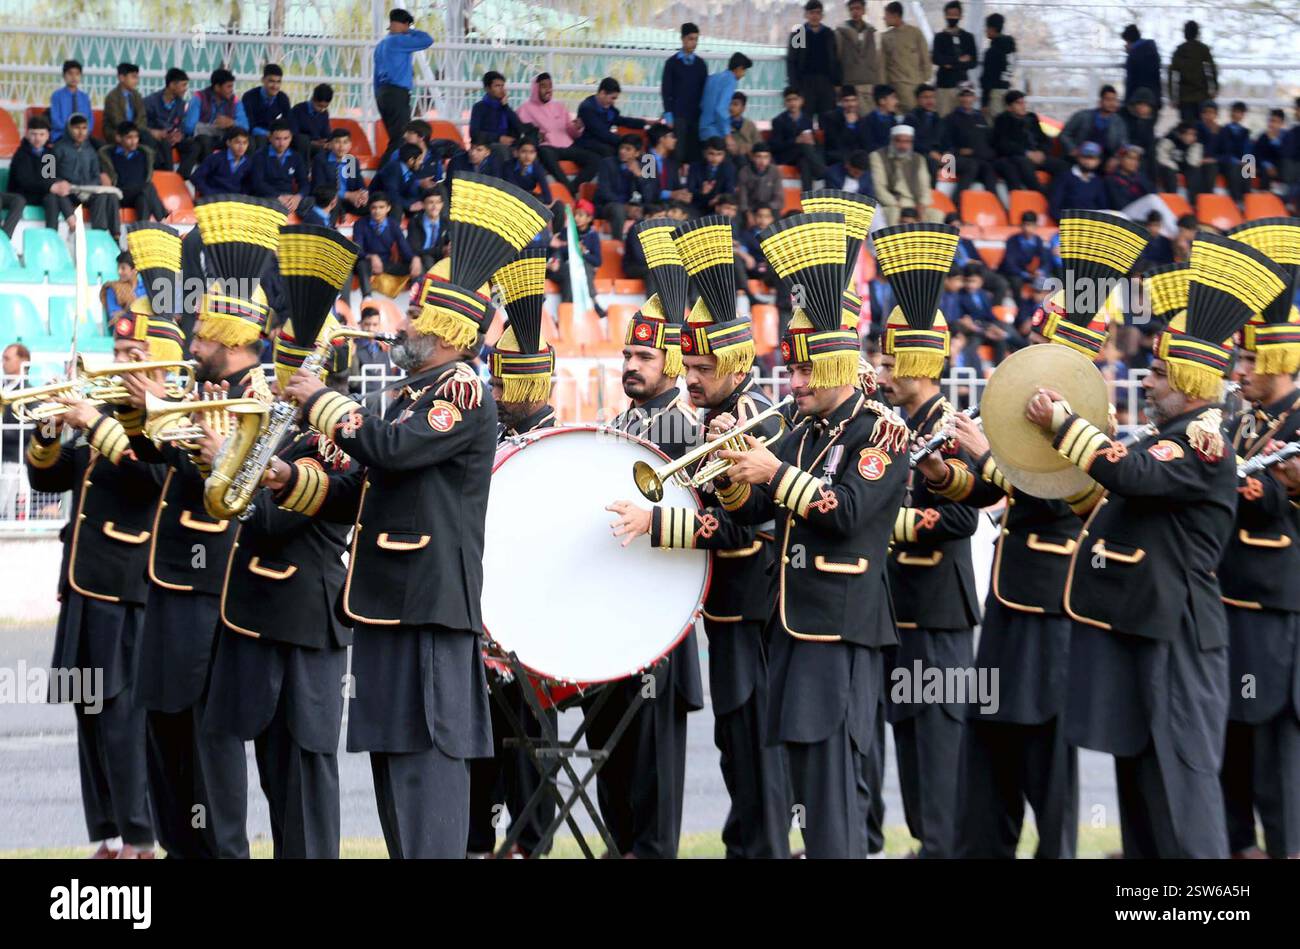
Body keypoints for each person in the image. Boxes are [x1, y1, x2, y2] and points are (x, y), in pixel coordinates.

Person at [269, 175, 547, 859]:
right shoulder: (414, 389)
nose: (407, 327)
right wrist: (289, 477)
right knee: (394, 765)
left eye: (419, 319)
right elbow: (365, 483)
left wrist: (321, 402)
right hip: (390, 603)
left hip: (426, 604)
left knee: (426, 780)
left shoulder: (458, 388)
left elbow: (390, 450)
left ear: (447, 330)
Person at [1030, 233, 1287, 857]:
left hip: (1175, 632)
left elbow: (1130, 475)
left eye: (1160, 372)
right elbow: (1117, 501)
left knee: (1180, 784)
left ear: (1193, 379)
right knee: (1141, 776)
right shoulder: (1162, 435)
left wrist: (1064, 425)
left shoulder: (1200, 440)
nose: (1147, 379)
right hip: (1142, 625)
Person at [934, 212, 1149, 858]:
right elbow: (995, 490)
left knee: (1050, 771)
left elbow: (1053, 489)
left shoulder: (1091, 418)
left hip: (1053, 605)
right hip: (1008, 605)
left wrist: (984, 453)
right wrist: (947, 471)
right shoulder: (1034, 409)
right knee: (986, 755)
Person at [712, 212, 910, 858]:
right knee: (803, 773)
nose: (792, 384)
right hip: (793, 629)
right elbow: (753, 513)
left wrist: (774, 470)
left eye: (803, 374)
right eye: (791, 372)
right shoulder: (806, 430)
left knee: (832, 790)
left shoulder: (876, 433)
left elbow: (847, 509)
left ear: (835, 369)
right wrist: (734, 474)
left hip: (840, 628)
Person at [606, 216, 790, 858]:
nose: (691, 376)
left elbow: (746, 520)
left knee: (757, 745)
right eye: (689, 363)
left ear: (734, 362)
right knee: (738, 744)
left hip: (757, 604)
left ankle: (765, 850)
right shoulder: (712, 414)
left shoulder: (750, 415)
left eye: (702, 366)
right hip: (726, 608)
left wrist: (657, 520)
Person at [200, 228, 359, 858]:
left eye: (293, 367)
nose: (280, 378)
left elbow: (270, 518)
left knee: (305, 781)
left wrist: (224, 465)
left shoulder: (334, 434)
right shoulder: (275, 421)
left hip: (304, 621)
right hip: (254, 616)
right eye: (282, 363)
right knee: (253, 756)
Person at [121, 210, 273, 860]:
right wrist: (140, 412)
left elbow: (232, 484)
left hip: (209, 584)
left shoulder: (254, 395)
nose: (192, 335)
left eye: (203, 326)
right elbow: (159, 457)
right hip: (171, 581)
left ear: (228, 329)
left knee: (207, 744)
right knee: (162, 730)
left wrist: (168, 423)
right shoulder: (209, 385)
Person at [24, 304, 179, 860]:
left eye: (134, 357)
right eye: (117, 354)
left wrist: (96, 423)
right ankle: (110, 834)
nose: (120, 365)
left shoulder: (170, 418)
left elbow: (152, 479)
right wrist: (47, 428)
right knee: (88, 712)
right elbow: (51, 477)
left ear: (159, 368)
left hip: (126, 589)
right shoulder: (107, 413)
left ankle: (142, 837)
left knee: (123, 719)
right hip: (83, 587)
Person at [590, 220, 711, 859]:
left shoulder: (688, 429)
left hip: (661, 620)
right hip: (614, 609)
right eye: (627, 356)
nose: (629, 366)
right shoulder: (621, 422)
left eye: (642, 357)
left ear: (667, 358)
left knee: (653, 757)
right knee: (610, 744)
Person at [873, 222, 980, 859]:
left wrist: (886, 526)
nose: (883, 374)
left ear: (918, 363)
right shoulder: (898, 422)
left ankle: (944, 846)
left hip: (938, 606)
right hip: (901, 605)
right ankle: (926, 843)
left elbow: (963, 517)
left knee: (940, 738)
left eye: (891, 364)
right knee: (909, 733)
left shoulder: (948, 425)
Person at [468, 246, 559, 857]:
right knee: (481, 737)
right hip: (484, 612)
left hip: (537, 620)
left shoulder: (561, 443)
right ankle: (479, 840)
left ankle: (530, 841)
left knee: (530, 739)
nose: (494, 389)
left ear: (529, 381)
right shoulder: (492, 435)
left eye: (503, 381)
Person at [1217, 218, 1300, 860]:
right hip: (1233, 600)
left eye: (1249, 359)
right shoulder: (1246, 418)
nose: (1239, 370)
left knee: (1277, 748)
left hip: (1280, 605)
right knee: (1233, 742)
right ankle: (1236, 853)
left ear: (1278, 359)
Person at [517, 72, 598, 191]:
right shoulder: (524, 109)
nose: (548, 89)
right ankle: (568, 188)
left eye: (550, 86)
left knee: (595, 159)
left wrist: (577, 127)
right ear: (536, 88)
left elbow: (572, 133)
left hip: (568, 146)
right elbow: (522, 134)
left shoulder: (559, 106)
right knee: (545, 153)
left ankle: (572, 188)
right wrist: (536, 136)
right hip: (547, 148)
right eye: (544, 86)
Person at [373, 8, 433, 166]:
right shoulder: (399, 40)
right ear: (405, 24)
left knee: (397, 137)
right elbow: (427, 40)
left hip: (382, 94)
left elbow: (375, 77)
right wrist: (411, 30)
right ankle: (384, 175)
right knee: (402, 138)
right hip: (397, 93)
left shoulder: (381, 45)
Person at [55, 114, 120, 236]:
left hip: (88, 192)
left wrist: (90, 188)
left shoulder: (90, 150)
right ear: (69, 129)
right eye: (77, 128)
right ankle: (98, 236)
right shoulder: (57, 148)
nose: (81, 132)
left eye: (84, 128)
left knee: (106, 196)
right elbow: (47, 175)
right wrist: (61, 184)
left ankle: (109, 236)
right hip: (68, 192)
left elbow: (96, 175)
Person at [9, 116, 76, 231]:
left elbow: (49, 178)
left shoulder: (48, 154)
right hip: (24, 195)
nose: (37, 138)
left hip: (41, 194)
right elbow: (25, 182)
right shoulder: (21, 154)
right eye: (34, 134)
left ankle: (52, 235)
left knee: (52, 198)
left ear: (47, 136)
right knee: (52, 194)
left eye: (41, 134)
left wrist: (56, 185)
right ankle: (71, 220)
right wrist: (51, 186)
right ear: (27, 134)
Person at [993, 90, 1065, 194]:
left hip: (1038, 155)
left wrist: (1042, 152)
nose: (1023, 106)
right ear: (1009, 107)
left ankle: (1055, 192)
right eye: (1018, 103)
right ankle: (1041, 193)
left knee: (1063, 166)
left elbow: (1044, 139)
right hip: (1020, 156)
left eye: (1024, 102)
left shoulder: (1032, 117)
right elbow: (1003, 145)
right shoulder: (1002, 120)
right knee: (1023, 164)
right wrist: (1027, 153)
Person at [97, 123, 165, 228]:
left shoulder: (144, 154)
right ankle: (163, 219)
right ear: (118, 138)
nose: (134, 141)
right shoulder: (109, 154)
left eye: (136, 137)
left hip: (138, 194)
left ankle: (141, 232)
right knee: (148, 186)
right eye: (129, 137)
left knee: (144, 199)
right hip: (119, 194)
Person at [353, 191, 420, 297]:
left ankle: (415, 300)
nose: (377, 211)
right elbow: (357, 249)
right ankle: (367, 298)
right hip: (366, 263)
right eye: (374, 207)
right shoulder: (360, 224)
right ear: (369, 208)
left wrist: (414, 258)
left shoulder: (393, 224)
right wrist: (371, 256)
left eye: (381, 207)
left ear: (388, 208)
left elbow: (405, 249)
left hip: (385, 264)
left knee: (416, 265)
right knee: (362, 264)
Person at [940, 83, 997, 202]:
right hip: (953, 160)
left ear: (974, 98)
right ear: (959, 98)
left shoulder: (981, 118)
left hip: (979, 158)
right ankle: (955, 203)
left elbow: (989, 141)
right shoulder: (950, 118)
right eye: (963, 95)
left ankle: (996, 207)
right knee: (972, 166)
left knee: (988, 169)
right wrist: (958, 151)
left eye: (969, 95)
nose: (966, 99)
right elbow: (945, 143)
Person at [661, 23, 709, 165]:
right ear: (682, 39)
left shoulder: (700, 64)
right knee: (678, 152)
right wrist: (669, 114)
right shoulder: (672, 63)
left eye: (696, 39)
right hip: (678, 115)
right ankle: (673, 185)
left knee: (694, 151)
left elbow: (704, 91)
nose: (693, 43)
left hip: (696, 115)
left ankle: (692, 185)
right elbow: (666, 90)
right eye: (690, 39)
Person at [183, 68, 250, 170]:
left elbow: (245, 126)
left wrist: (232, 122)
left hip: (225, 138)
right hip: (204, 139)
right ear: (217, 87)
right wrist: (212, 128)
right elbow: (189, 127)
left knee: (247, 142)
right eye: (228, 87)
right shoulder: (199, 97)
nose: (231, 90)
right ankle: (208, 177)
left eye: (232, 86)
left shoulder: (234, 101)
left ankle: (242, 175)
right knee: (205, 140)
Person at [869, 125, 936, 225]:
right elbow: (879, 188)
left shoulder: (918, 159)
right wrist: (896, 205)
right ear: (892, 141)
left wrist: (922, 204)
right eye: (899, 141)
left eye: (907, 142)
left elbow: (925, 186)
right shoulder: (877, 156)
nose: (903, 146)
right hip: (890, 204)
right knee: (894, 213)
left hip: (914, 204)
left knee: (936, 215)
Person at [1105, 144, 1176, 236]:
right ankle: (1178, 234)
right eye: (1130, 158)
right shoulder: (1112, 179)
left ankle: (1176, 237)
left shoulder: (1140, 177)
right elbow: (1118, 203)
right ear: (1120, 159)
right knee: (1152, 199)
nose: (1134, 162)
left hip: (1141, 212)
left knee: (1158, 217)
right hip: (1124, 213)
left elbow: (1154, 192)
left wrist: (1139, 179)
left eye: (1136, 159)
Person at [548, 200, 604, 315]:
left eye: (581, 215)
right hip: (562, 268)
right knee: (573, 269)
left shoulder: (593, 236)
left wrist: (583, 253)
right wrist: (572, 247)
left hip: (580, 270)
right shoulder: (567, 231)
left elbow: (597, 261)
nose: (577, 218)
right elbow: (558, 251)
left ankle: (568, 311)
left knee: (582, 266)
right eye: (576, 214)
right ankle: (593, 301)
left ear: (589, 219)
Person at [787, 1, 842, 118]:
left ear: (822, 15)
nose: (815, 16)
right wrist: (794, 85)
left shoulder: (829, 33)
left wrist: (837, 83)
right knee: (805, 117)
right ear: (806, 14)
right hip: (805, 82)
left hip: (826, 82)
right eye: (812, 13)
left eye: (818, 13)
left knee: (827, 117)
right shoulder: (799, 33)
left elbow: (836, 59)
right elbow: (792, 61)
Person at [594, 134, 655, 236]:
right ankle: (617, 243)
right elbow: (604, 192)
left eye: (628, 149)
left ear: (637, 153)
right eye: (621, 148)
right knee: (619, 209)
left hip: (634, 206)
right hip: (609, 205)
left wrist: (639, 175)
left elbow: (649, 195)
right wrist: (626, 207)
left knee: (653, 210)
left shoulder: (645, 165)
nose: (622, 151)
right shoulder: (607, 163)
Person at [248, 120, 312, 216]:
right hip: (268, 197)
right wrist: (279, 197)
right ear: (270, 138)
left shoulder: (296, 157)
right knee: (272, 204)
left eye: (285, 138)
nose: (281, 143)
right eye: (277, 139)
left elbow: (304, 182)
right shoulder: (259, 156)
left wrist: (298, 197)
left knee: (312, 202)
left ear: (291, 138)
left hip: (289, 197)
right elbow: (258, 183)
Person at [574, 78, 647, 159]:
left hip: (603, 142)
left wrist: (645, 122)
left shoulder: (608, 108)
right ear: (602, 93)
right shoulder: (587, 108)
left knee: (639, 153)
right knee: (618, 151)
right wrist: (626, 141)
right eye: (613, 98)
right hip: (588, 144)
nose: (613, 102)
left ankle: (646, 170)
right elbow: (601, 132)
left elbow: (621, 120)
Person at [770, 87, 825, 192]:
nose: (792, 103)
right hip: (786, 155)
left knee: (805, 162)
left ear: (801, 101)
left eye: (795, 99)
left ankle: (807, 199)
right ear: (785, 103)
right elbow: (775, 145)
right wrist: (795, 140)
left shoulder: (807, 119)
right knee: (803, 147)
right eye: (789, 100)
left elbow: (813, 140)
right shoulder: (778, 121)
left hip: (803, 156)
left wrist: (812, 141)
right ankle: (822, 172)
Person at [879, 1, 931, 113]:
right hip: (896, 87)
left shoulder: (915, 33)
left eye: (886, 15)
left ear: (895, 16)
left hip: (916, 86)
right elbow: (882, 65)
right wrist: (884, 88)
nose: (884, 18)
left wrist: (924, 79)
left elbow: (925, 57)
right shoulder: (885, 37)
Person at [1060, 85, 1128, 164]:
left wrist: (1115, 158)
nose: (1112, 103)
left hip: (1104, 160)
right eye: (1108, 100)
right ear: (1100, 101)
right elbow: (1065, 134)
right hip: (1080, 156)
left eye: (1115, 100)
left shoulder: (1119, 122)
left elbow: (1123, 144)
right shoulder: (1082, 116)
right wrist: (1073, 149)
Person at [312, 127, 368, 220]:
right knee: (334, 205)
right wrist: (348, 195)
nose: (341, 146)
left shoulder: (351, 161)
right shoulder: (321, 160)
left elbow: (360, 184)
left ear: (350, 145)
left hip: (349, 202)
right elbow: (319, 189)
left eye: (345, 142)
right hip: (328, 200)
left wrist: (363, 195)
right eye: (337, 142)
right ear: (330, 144)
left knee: (373, 206)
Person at [931, 1, 976, 117]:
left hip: (963, 86)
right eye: (949, 14)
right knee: (944, 119)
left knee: (962, 120)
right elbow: (936, 59)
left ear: (961, 16)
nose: (952, 17)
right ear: (945, 16)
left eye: (955, 14)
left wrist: (949, 63)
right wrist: (959, 60)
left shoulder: (968, 37)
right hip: (944, 85)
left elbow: (973, 62)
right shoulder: (939, 37)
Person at [1169, 21, 1217, 125]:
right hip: (1202, 95)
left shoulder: (1179, 50)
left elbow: (1171, 74)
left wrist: (1172, 96)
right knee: (1202, 128)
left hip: (1184, 97)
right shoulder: (1203, 49)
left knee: (1187, 128)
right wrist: (1214, 88)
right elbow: (1212, 69)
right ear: (1197, 33)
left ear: (1185, 33)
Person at [699, 53, 753, 146]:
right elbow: (721, 109)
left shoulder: (713, 78)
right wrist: (727, 134)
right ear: (739, 68)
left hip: (703, 129)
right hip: (715, 132)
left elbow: (703, 104)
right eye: (744, 70)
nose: (744, 74)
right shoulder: (730, 81)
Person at [469, 70, 522, 164]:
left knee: (528, 149)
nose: (502, 90)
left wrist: (506, 107)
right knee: (502, 150)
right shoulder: (479, 107)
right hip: (488, 144)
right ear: (487, 88)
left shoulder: (504, 107)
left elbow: (518, 127)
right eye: (497, 86)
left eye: (502, 86)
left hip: (509, 143)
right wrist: (498, 138)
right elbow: (474, 133)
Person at [145, 68, 190, 174]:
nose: (186, 89)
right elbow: (142, 125)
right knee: (164, 144)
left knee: (194, 146)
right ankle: (168, 175)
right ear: (172, 85)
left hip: (172, 137)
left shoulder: (181, 103)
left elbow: (182, 123)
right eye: (183, 85)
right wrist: (154, 132)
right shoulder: (150, 102)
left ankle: (181, 177)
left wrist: (179, 134)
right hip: (156, 138)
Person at [1050, 141, 1108, 221]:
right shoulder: (1064, 177)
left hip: (1092, 225)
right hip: (1069, 224)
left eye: (1092, 158)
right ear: (1078, 157)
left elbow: (1103, 209)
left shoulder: (1098, 181)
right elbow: (1054, 207)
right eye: (1085, 157)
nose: (1088, 161)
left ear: (1098, 161)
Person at [190, 126, 253, 197]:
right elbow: (196, 177)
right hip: (214, 198)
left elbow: (248, 183)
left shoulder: (248, 163)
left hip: (234, 201)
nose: (241, 147)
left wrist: (242, 195)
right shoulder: (215, 158)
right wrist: (209, 192)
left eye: (245, 143)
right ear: (228, 143)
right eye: (237, 142)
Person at [836, 0, 881, 98]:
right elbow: (837, 58)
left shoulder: (871, 31)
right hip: (849, 81)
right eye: (852, 9)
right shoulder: (840, 32)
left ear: (864, 10)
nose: (855, 12)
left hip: (869, 81)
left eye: (858, 8)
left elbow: (876, 58)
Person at [243, 63, 292, 151]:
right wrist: (267, 134)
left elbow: (287, 122)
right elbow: (249, 124)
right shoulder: (250, 97)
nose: (275, 86)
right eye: (271, 81)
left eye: (278, 82)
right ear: (263, 80)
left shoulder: (282, 98)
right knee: (260, 140)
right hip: (256, 136)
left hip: (277, 136)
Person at [821, 85, 872, 166]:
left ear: (857, 101)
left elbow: (866, 145)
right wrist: (849, 125)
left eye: (853, 100)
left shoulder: (863, 120)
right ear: (840, 102)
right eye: (847, 101)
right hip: (838, 158)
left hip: (859, 160)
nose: (851, 104)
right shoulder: (830, 118)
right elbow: (836, 144)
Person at [1000, 211, 1047, 298]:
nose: (1027, 228)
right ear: (1021, 225)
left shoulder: (1038, 240)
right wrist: (1025, 274)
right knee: (1016, 282)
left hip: (1031, 274)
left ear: (1035, 226)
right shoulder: (1012, 240)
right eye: (1025, 225)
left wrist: (1040, 271)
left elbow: (1044, 259)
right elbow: (1010, 264)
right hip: (1015, 273)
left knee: (1046, 281)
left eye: (1030, 225)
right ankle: (1020, 307)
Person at [1156, 122, 1207, 199]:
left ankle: (1193, 202)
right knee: (1169, 172)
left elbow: (1193, 162)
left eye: (1193, 134)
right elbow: (1161, 157)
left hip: (1185, 167)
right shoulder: (1169, 139)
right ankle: (1172, 200)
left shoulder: (1196, 143)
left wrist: (1192, 147)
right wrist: (1173, 167)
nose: (1191, 137)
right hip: (1169, 167)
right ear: (1180, 134)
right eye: (1189, 134)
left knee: (1195, 171)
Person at [687, 137, 737, 214]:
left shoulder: (729, 168)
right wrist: (701, 192)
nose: (715, 158)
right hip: (697, 206)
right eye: (711, 153)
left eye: (719, 154)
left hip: (719, 206)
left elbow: (729, 191)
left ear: (724, 155)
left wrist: (718, 198)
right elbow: (690, 190)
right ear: (705, 153)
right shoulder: (695, 167)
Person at [104, 62, 148, 148]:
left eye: (137, 78)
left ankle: (161, 162)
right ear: (121, 78)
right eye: (133, 77)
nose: (136, 81)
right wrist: (132, 132)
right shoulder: (112, 97)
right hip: (116, 132)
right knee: (144, 140)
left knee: (157, 140)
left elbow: (142, 117)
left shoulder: (136, 95)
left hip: (136, 131)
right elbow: (117, 121)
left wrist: (135, 132)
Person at [980, 13, 1016, 117]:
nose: (985, 30)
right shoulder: (1011, 48)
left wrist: (984, 102)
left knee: (994, 126)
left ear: (992, 28)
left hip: (994, 94)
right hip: (1007, 90)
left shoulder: (992, 52)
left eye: (986, 27)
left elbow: (987, 78)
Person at [1218, 101, 1253, 205]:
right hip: (1227, 161)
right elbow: (1223, 150)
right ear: (1231, 113)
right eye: (1235, 112)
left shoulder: (1245, 132)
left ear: (1243, 115)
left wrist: (1246, 161)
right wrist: (1237, 161)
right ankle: (1236, 200)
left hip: (1241, 162)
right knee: (1235, 168)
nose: (1237, 115)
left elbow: (1247, 149)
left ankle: (1248, 200)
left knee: (1249, 167)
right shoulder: (1224, 130)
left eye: (1240, 112)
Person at [407, 186, 448, 272]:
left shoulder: (446, 223)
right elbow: (415, 249)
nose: (434, 206)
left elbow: (448, 244)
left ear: (442, 204)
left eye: (438, 202)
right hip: (420, 259)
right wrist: (440, 250)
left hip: (439, 259)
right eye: (430, 202)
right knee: (427, 259)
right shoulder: (415, 222)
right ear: (423, 205)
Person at [736, 142, 782, 220]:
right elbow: (742, 198)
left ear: (770, 158)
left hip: (769, 208)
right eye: (759, 157)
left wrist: (765, 211)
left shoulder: (775, 171)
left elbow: (778, 198)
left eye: (766, 157)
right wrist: (748, 213)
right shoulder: (744, 171)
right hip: (750, 209)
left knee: (777, 218)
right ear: (752, 157)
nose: (762, 161)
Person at [50, 59, 93, 142]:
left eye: (77, 74)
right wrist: (71, 132)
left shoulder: (84, 97)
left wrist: (83, 132)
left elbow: (90, 119)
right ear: (64, 76)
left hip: (82, 137)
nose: (74, 77)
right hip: (61, 135)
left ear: (81, 76)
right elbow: (55, 119)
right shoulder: (57, 96)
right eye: (70, 73)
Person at [1121, 25, 1162, 109]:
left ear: (1129, 40)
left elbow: (1131, 82)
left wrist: (1126, 102)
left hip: (1139, 101)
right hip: (1154, 98)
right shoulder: (1152, 50)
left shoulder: (1133, 57)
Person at [290, 83, 334, 160]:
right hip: (301, 145)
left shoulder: (324, 113)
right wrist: (312, 142)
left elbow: (326, 133)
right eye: (319, 106)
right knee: (303, 141)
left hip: (319, 145)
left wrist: (327, 142)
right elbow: (293, 134)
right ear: (313, 99)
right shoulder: (298, 110)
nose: (322, 109)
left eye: (325, 107)